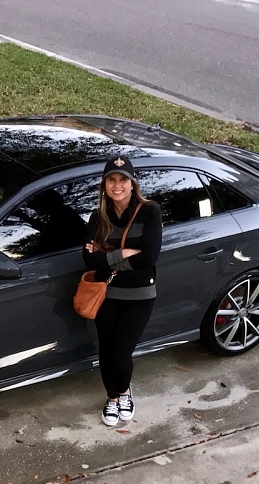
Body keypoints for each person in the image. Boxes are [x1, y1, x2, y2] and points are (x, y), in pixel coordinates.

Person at [82, 156, 162, 426]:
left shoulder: (149, 211)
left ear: (132, 183)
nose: (117, 185)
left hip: (139, 295)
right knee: (106, 350)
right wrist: (126, 253)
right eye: (111, 180)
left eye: (123, 179)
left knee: (121, 352)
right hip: (107, 294)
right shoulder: (98, 217)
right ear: (104, 185)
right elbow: (88, 260)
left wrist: (108, 255)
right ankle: (112, 398)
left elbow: (149, 258)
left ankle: (125, 392)